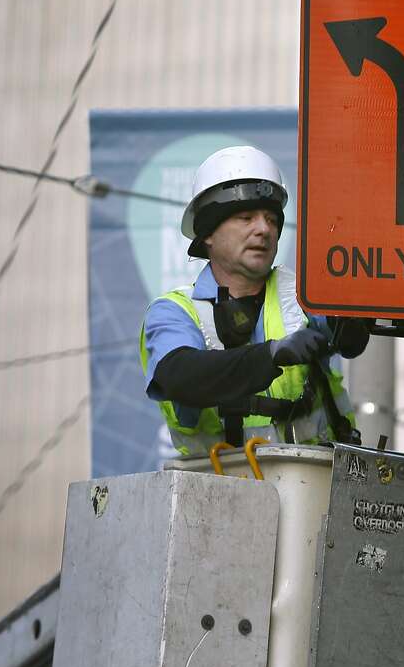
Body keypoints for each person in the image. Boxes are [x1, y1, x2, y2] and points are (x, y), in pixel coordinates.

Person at [139, 145, 370, 457]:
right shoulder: (174, 311)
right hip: (216, 491)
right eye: (246, 217)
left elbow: (351, 336)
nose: (264, 229)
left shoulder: (305, 294)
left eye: (272, 220)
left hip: (314, 488)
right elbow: (179, 376)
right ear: (208, 233)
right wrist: (271, 355)